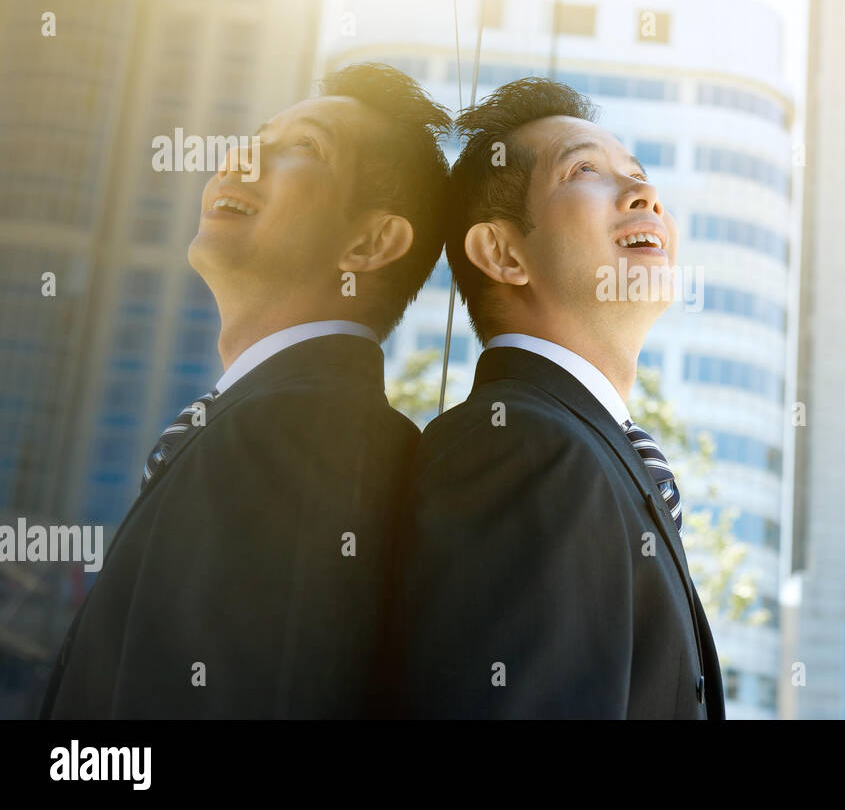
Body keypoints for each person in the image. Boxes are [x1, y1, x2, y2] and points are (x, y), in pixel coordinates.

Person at [41, 63, 451, 718]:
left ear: (371, 241)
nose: (242, 155)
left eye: (304, 147)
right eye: (257, 135)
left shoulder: (298, 429)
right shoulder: (283, 418)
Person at [398, 77, 724, 718]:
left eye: (638, 173)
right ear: (501, 252)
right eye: (585, 170)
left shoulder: (583, 449)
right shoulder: (518, 445)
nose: (646, 195)